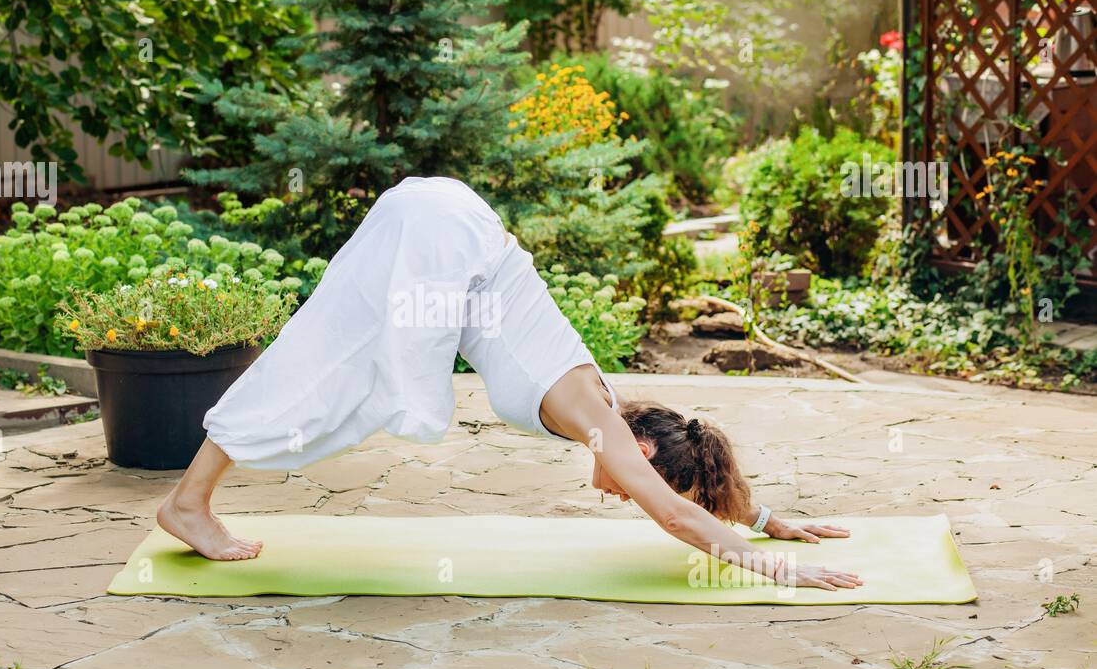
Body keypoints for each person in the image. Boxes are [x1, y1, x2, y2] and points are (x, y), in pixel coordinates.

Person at [159, 176, 861, 591]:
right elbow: (676, 514)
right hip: (448, 239)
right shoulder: (600, 422)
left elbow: (690, 486)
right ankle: (190, 503)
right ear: (644, 456)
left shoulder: (614, 410)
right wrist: (782, 574)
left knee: (337, 358)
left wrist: (766, 521)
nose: (626, 498)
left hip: (449, 224)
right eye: (640, 486)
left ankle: (193, 499)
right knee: (336, 368)